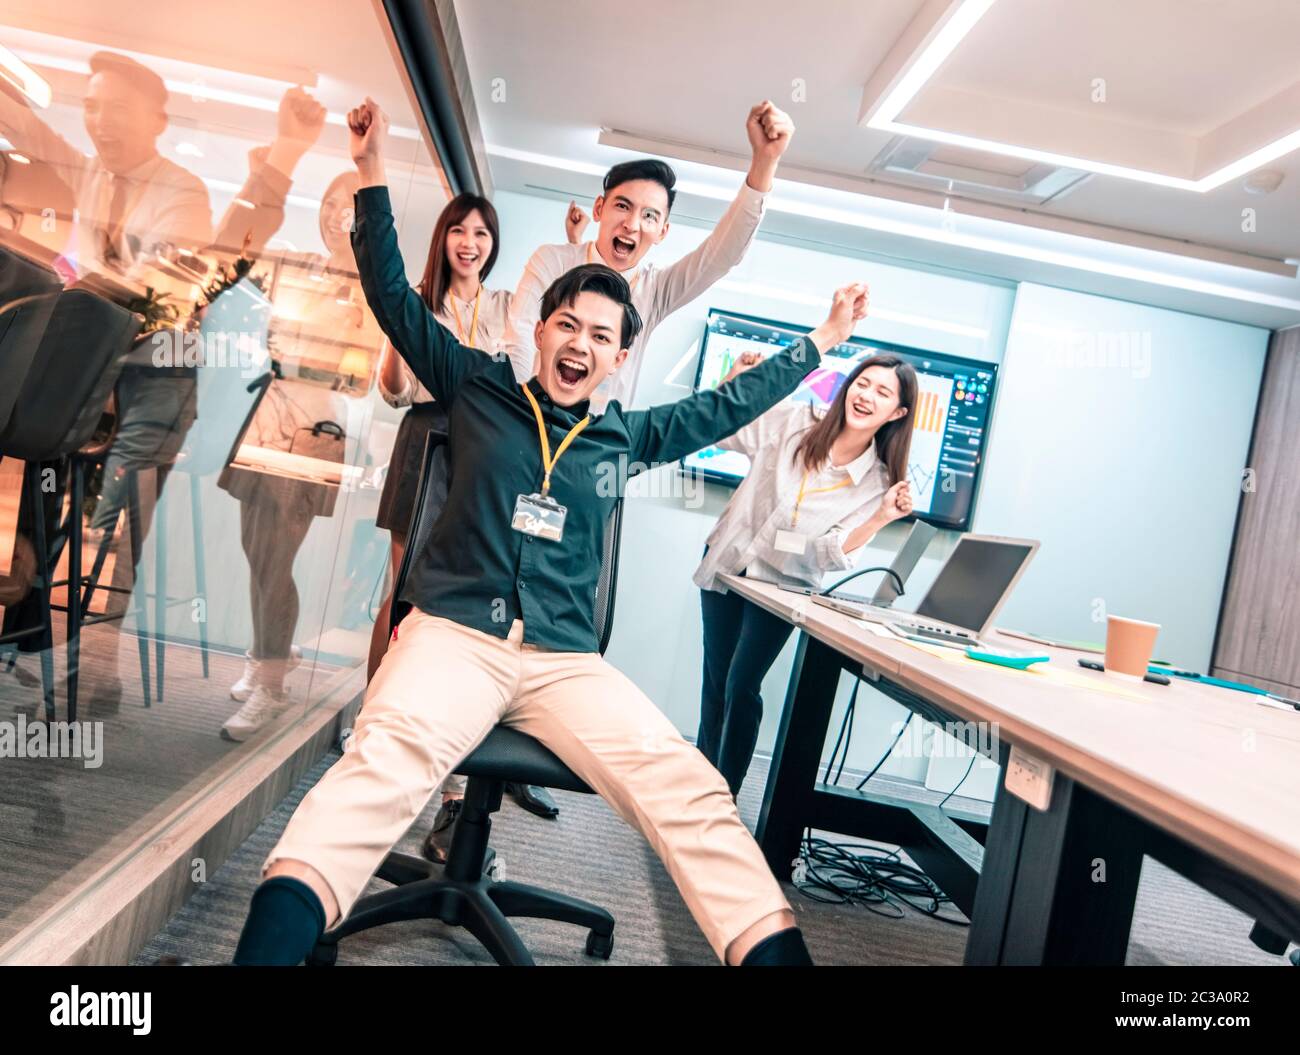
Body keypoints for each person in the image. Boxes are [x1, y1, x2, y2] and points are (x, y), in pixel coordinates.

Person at [229, 98, 870, 966]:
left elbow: (727, 406)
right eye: (567, 324)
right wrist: (375, 167)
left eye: (601, 335)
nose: (580, 342)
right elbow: (389, 294)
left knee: (690, 785)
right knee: (375, 769)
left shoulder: (624, 435)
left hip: (567, 660)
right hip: (454, 635)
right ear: (538, 332)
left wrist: (823, 340)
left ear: (617, 359)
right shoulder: (476, 385)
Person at [369, 192, 582, 857]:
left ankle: (449, 779)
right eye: (458, 230)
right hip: (423, 439)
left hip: (481, 454)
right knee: (402, 590)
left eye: (482, 232)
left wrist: (573, 240)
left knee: (459, 606)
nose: (470, 241)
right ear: (443, 238)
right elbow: (396, 391)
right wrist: (399, 332)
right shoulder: (416, 300)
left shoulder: (503, 309)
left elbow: (525, 367)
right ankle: (378, 726)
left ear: (493, 244)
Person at [695, 353, 918, 795]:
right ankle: (695, 791)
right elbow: (727, 434)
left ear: (897, 412)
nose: (866, 395)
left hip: (784, 587)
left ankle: (724, 796)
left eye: (882, 392)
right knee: (716, 682)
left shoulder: (877, 482)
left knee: (742, 685)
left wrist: (879, 519)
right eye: (862, 383)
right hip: (730, 562)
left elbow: (830, 552)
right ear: (848, 386)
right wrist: (736, 379)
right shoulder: (796, 420)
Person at [503, 101, 794, 411]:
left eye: (650, 216)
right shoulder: (552, 261)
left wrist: (765, 162)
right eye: (623, 206)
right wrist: (517, 417)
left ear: (662, 232)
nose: (632, 225)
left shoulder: (655, 289)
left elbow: (721, 255)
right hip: (528, 419)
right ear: (599, 208)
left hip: (598, 445)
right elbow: (519, 338)